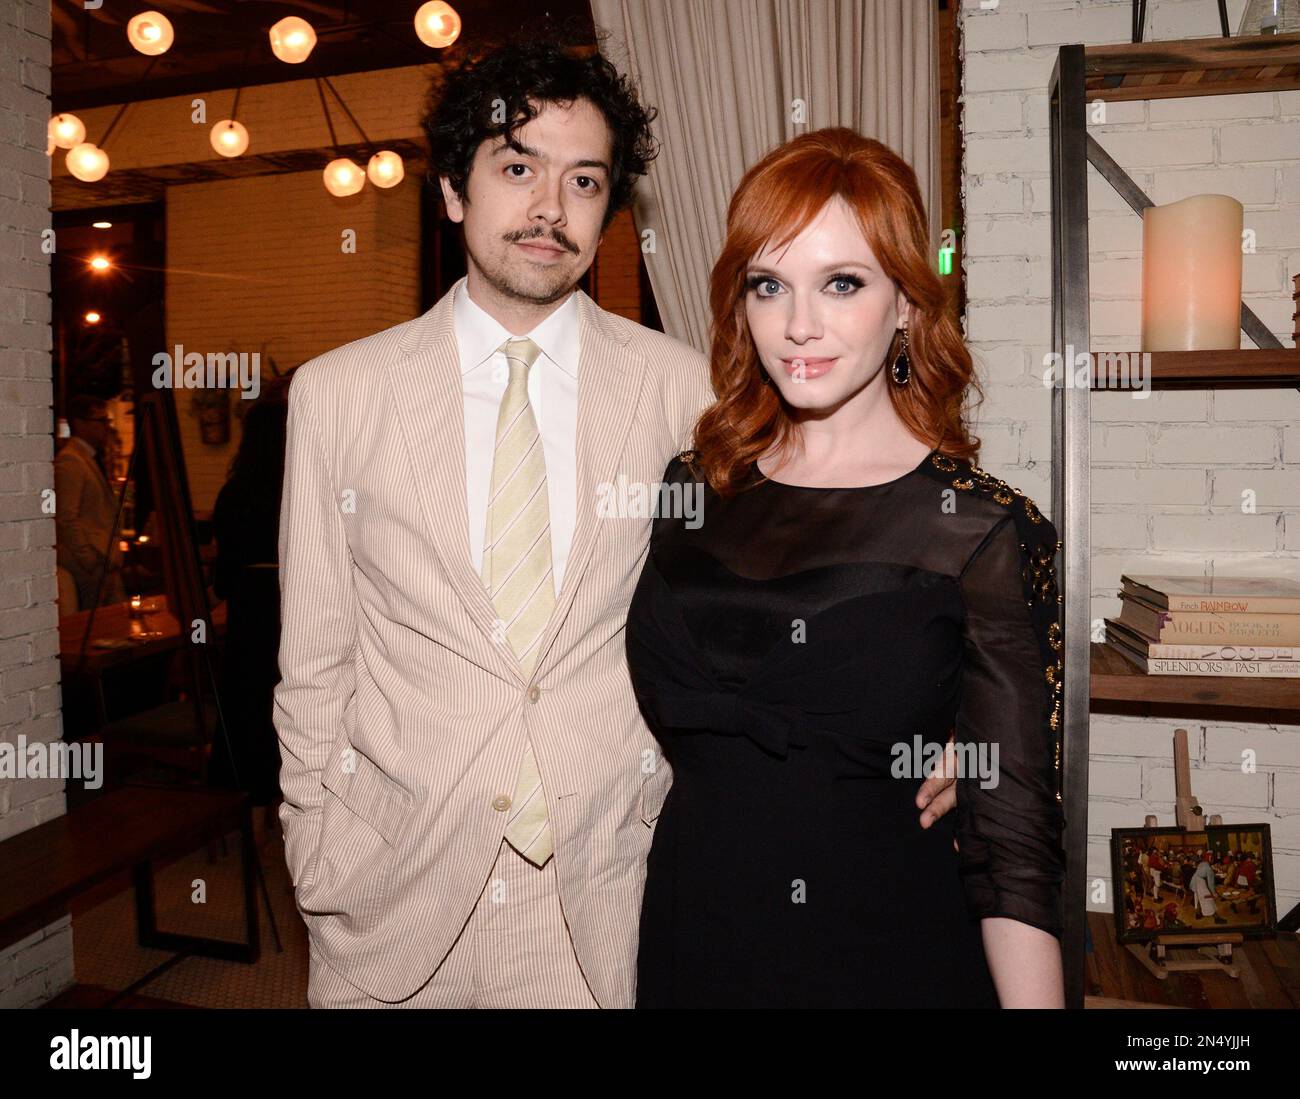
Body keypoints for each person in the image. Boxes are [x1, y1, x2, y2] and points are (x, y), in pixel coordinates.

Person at [625, 128, 1067, 1007]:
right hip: (692, 927)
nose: (799, 325)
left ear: (905, 300)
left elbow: (1011, 846)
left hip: (880, 946)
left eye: (841, 283)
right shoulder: (691, 487)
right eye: (768, 284)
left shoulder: (981, 530)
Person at [54, 394, 126, 611]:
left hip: (103, 558)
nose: (106, 427)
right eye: (101, 421)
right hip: (90, 562)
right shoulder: (70, 461)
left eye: (107, 421)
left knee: (115, 620)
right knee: (102, 623)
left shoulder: (90, 458)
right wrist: (89, 560)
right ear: (81, 423)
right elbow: (66, 517)